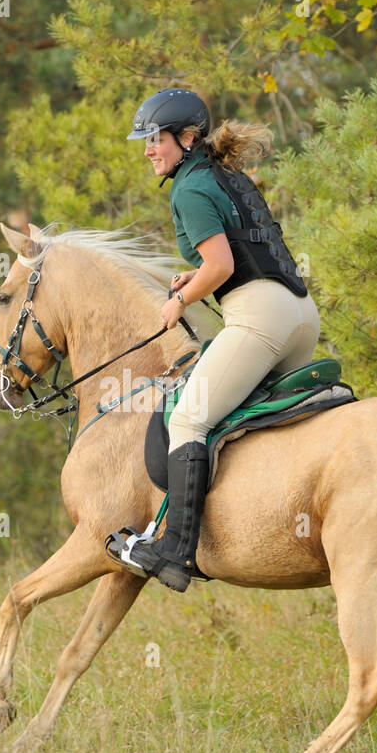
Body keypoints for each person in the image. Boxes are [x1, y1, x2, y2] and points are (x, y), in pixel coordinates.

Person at [108, 87, 322, 591]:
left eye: (154, 139)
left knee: (188, 415)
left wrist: (178, 301)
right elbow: (233, 259)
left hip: (259, 317)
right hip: (300, 314)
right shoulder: (225, 175)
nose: (147, 149)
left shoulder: (188, 188)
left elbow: (223, 265)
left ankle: (174, 552)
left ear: (186, 139)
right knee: (241, 420)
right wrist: (195, 276)